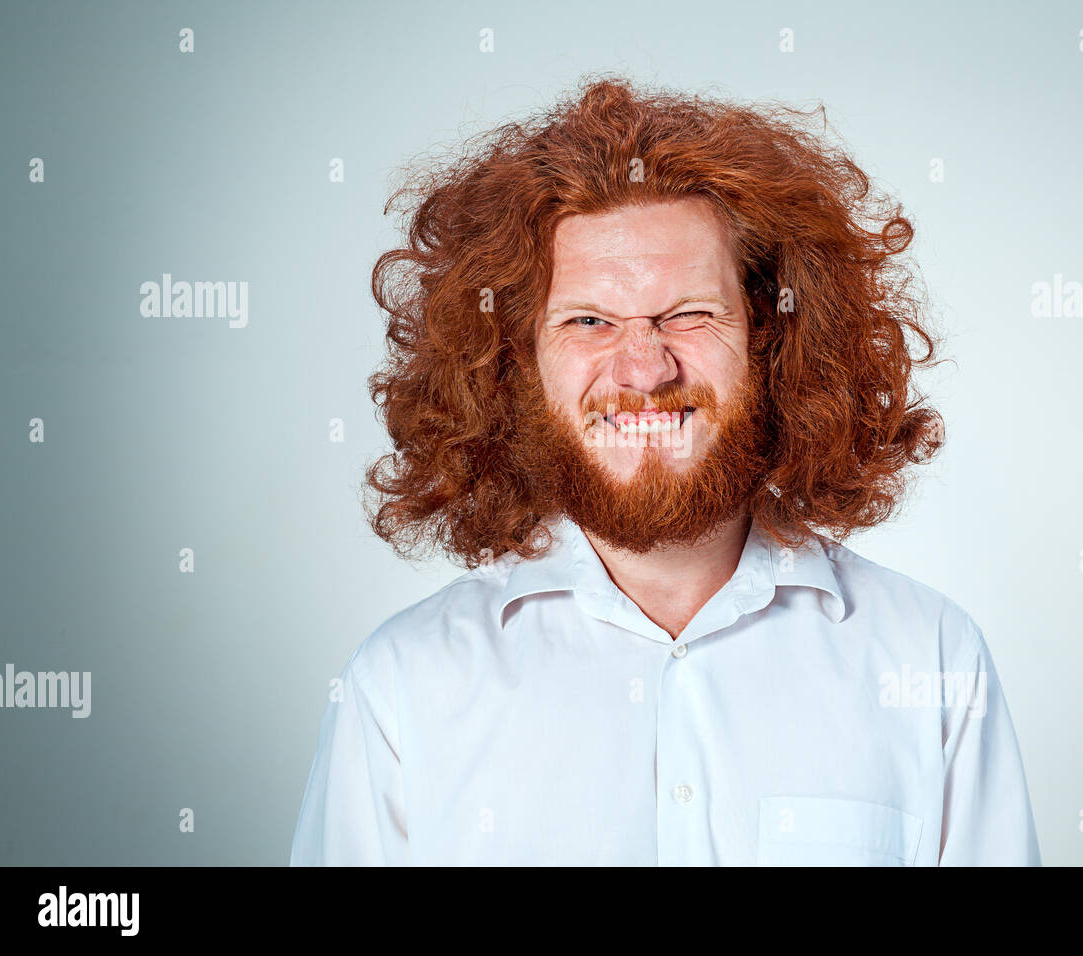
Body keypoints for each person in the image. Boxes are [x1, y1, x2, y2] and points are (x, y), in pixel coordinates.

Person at [290, 75, 1041, 866]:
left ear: (771, 339)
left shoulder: (930, 659)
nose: (645, 369)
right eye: (589, 320)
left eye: (689, 314)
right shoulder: (404, 686)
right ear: (514, 362)